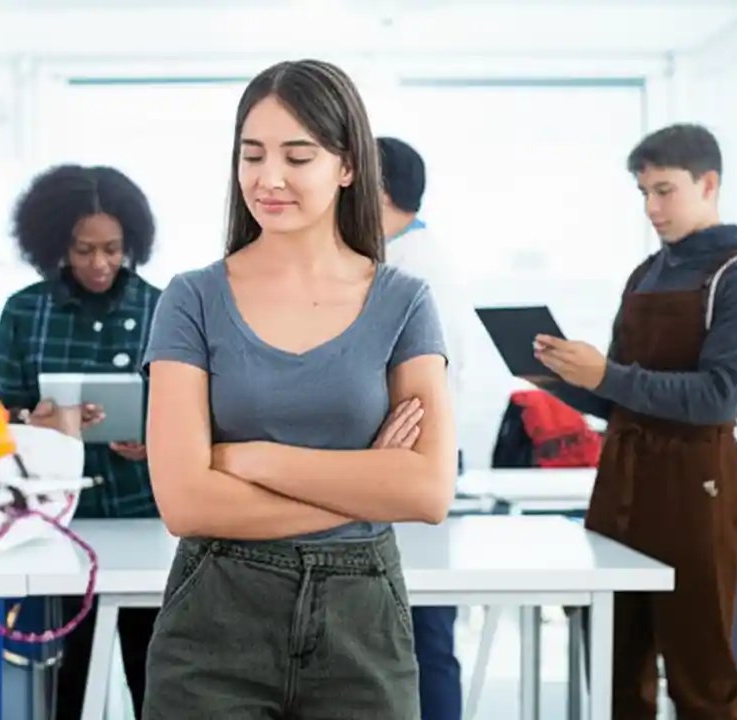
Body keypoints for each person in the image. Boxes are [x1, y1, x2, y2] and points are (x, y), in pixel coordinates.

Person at [141, 59, 456, 719]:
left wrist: (254, 459)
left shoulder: (403, 301)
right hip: (214, 617)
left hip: (363, 618)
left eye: (298, 155)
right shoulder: (191, 299)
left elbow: (426, 492)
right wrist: (367, 482)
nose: (269, 177)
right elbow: (185, 504)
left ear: (347, 166)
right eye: (251, 155)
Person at [533, 122, 737, 718]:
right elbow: (622, 396)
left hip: (698, 485)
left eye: (665, 190)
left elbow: (718, 398)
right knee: (611, 665)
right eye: (643, 192)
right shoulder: (646, 274)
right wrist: (564, 379)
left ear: (709, 183)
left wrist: (605, 376)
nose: (651, 208)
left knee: (700, 674)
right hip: (622, 479)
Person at [0, 163, 163, 720]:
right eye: (84, 250)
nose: (99, 263)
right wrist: (32, 420)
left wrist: (154, 436)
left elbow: (202, 413)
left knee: (154, 670)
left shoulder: (165, 307)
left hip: (147, 518)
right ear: (56, 245)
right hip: (55, 522)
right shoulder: (24, 310)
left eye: (112, 249)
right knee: (67, 676)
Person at [377, 135, 464, 720]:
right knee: (418, 625)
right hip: (419, 456)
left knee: (421, 626)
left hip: (408, 459)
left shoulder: (407, 270)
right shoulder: (415, 256)